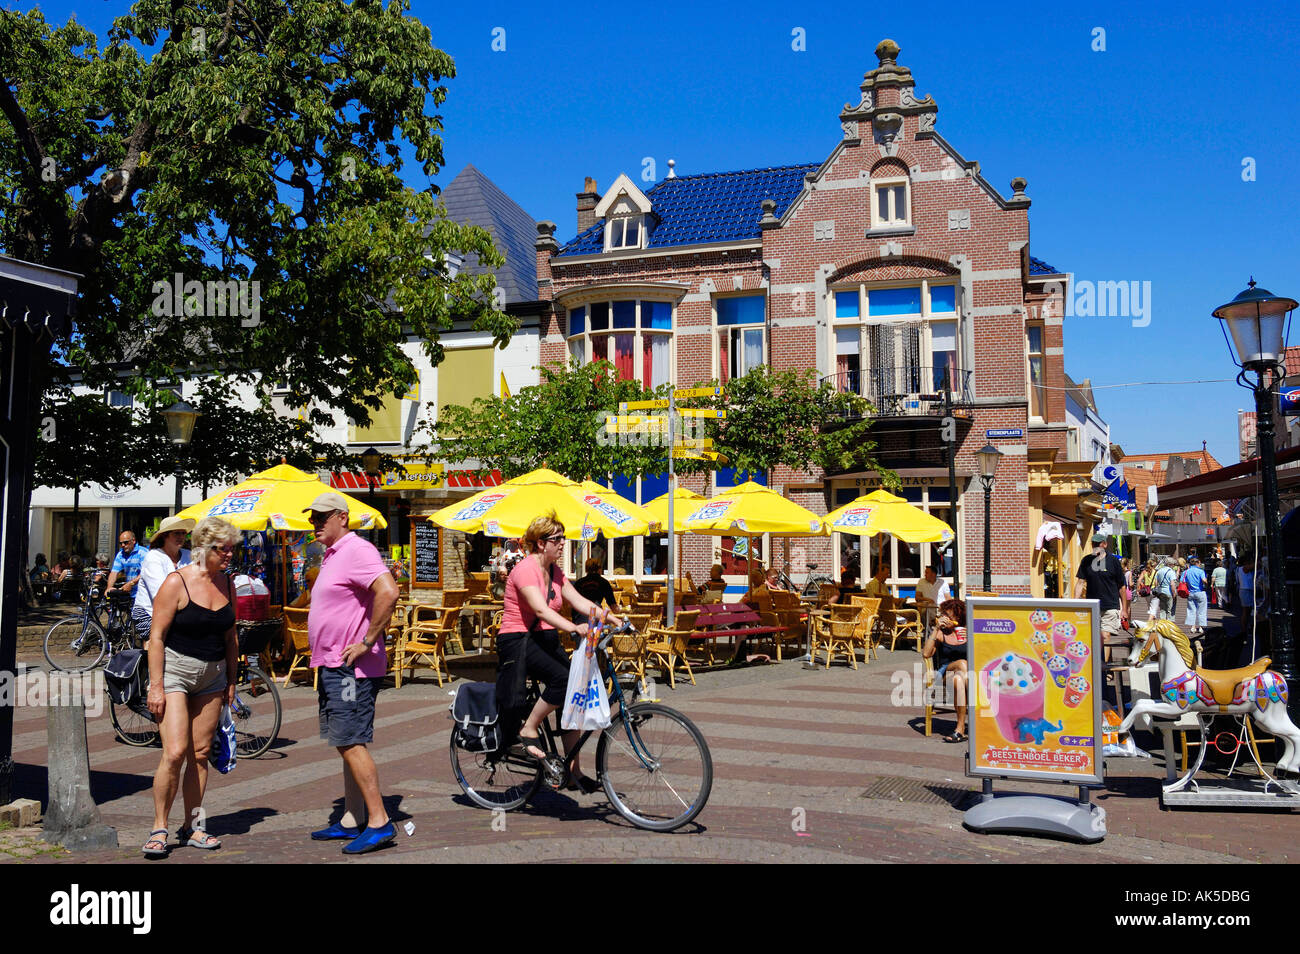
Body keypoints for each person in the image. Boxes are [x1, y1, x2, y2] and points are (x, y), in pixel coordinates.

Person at [497, 513, 623, 795]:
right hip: (518, 639)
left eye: (563, 538)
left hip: (544, 636)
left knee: (572, 698)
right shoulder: (526, 569)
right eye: (557, 539)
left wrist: (609, 617)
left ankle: (572, 772)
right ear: (541, 543)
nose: (563, 543)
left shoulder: (555, 571)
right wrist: (574, 627)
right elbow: (540, 609)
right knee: (564, 680)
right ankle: (529, 728)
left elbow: (578, 600)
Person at [303, 492, 401, 855]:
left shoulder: (357, 549)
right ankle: (351, 818)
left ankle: (379, 822)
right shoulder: (333, 555)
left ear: (342, 517)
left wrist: (366, 639)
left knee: (349, 740)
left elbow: (388, 592)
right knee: (344, 741)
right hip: (334, 664)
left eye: (321, 517)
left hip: (351, 668)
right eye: (312, 518)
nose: (315, 523)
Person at [142, 516, 241, 857]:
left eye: (232, 549)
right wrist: (156, 686)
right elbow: (155, 638)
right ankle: (159, 828)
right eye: (222, 549)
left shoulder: (227, 583)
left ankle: (193, 827)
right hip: (175, 673)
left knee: (199, 755)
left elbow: (231, 637)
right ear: (202, 549)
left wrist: (231, 680)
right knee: (173, 753)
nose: (229, 555)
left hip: (213, 676)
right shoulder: (176, 583)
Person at [133, 517, 195, 645]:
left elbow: (198, 585)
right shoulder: (154, 557)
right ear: (165, 536)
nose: (181, 537)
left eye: (183, 533)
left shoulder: (189, 556)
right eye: (176, 533)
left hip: (181, 610)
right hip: (149, 613)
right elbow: (160, 594)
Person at [921, 598, 969, 743]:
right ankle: (974, 700)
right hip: (945, 673)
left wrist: (973, 636)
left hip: (963, 677)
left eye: (949, 615)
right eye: (943, 615)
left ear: (958, 617)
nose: (945, 618)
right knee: (961, 663)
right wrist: (935, 629)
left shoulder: (967, 631)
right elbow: (926, 654)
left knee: (958, 679)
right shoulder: (941, 633)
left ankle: (959, 730)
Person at [1074, 531, 1129, 652]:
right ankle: (1100, 665)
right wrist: (1075, 603)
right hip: (1092, 606)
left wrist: (1124, 609)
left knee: (1105, 636)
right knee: (1093, 637)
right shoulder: (1086, 561)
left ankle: (1103, 667)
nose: (1095, 546)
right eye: (1093, 543)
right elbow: (1080, 583)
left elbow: (1122, 587)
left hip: (1110, 605)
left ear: (1105, 544)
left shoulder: (1113, 561)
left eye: (1098, 544)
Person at [572, 557, 617, 625]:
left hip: (579, 615)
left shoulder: (579, 582)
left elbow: (572, 602)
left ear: (586, 569)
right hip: (596, 616)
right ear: (599, 569)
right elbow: (613, 606)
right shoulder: (603, 582)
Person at [915, 565, 952, 630]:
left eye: (927, 573)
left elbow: (948, 599)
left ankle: (937, 631)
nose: (925, 575)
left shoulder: (943, 583)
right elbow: (917, 598)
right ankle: (931, 631)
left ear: (933, 574)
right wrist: (927, 599)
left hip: (940, 608)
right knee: (928, 612)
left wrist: (945, 608)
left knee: (946, 614)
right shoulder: (921, 582)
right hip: (927, 608)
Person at [1181, 554, 1209, 636]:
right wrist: (1206, 583)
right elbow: (1204, 580)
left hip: (1190, 593)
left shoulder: (1186, 572)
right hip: (1200, 592)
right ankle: (1200, 627)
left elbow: (1183, 581)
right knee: (1202, 610)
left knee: (1191, 610)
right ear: (1197, 563)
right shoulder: (1200, 571)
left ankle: (1193, 627)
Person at [1149, 557, 1178, 622]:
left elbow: (1156, 582)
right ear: (1170, 564)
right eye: (1173, 564)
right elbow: (1172, 584)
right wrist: (1174, 594)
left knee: (1162, 609)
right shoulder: (1171, 572)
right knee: (1169, 610)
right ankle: (1169, 625)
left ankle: (1162, 624)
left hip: (1161, 592)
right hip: (1169, 592)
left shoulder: (1159, 571)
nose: (1173, 566)